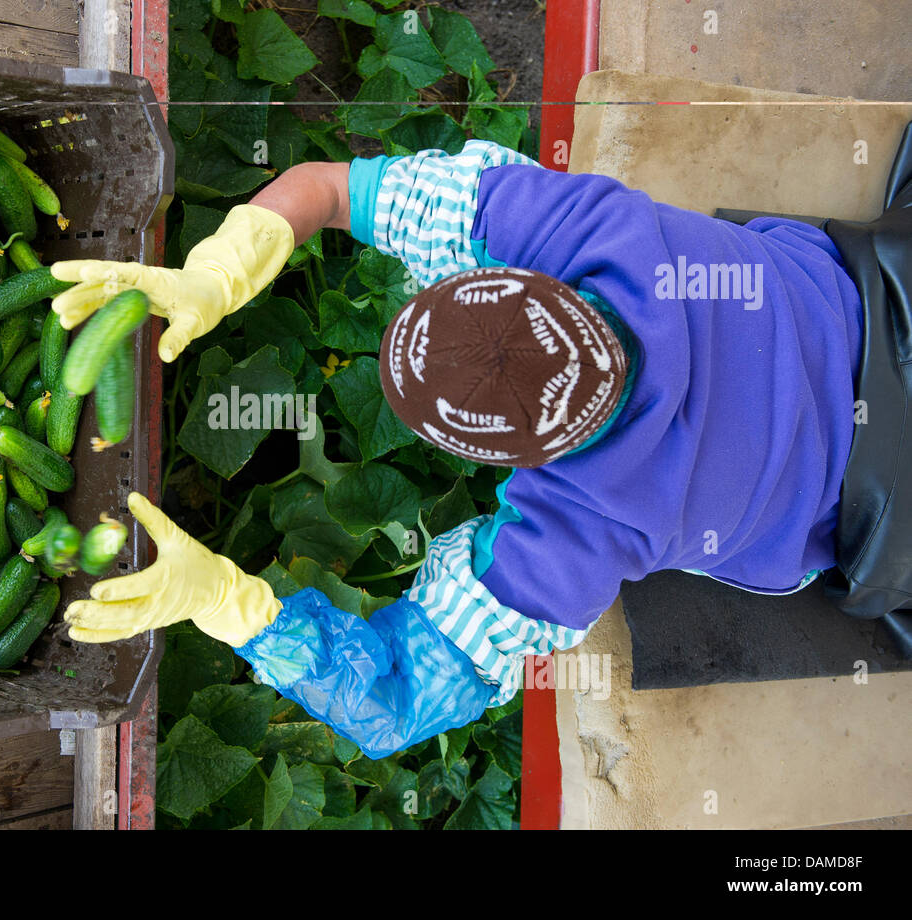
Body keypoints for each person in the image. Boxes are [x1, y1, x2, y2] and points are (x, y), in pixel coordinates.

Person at [46, 131, 905, 759]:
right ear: (526, 279)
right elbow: (328, 188)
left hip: (859, 506)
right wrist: (223, 266)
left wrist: (223, 599)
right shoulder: (584, 224)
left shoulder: (582, 537)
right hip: (868, 307)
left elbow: (392, 704)